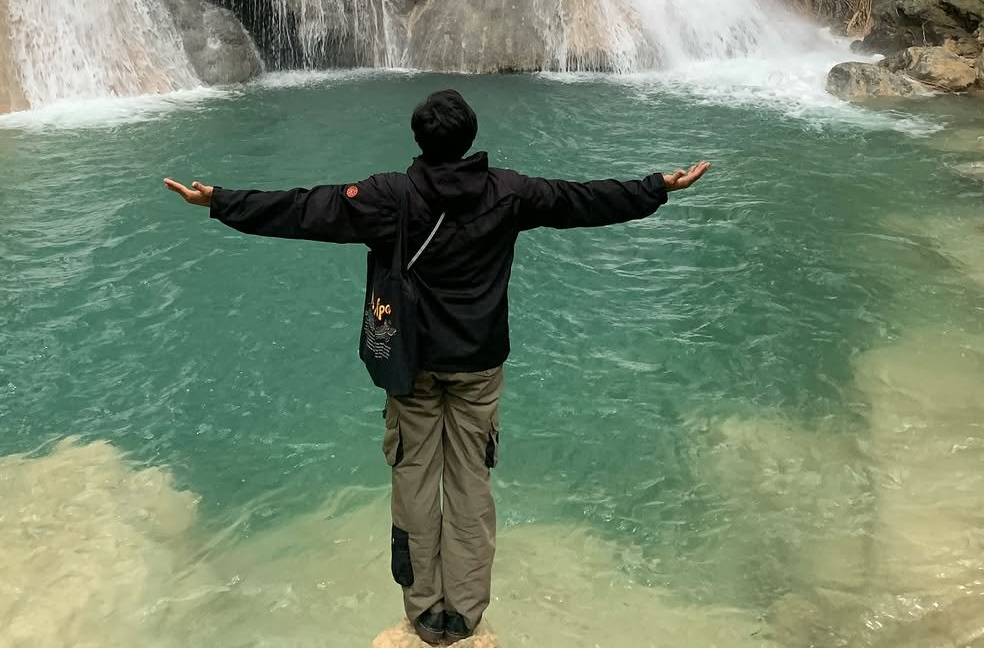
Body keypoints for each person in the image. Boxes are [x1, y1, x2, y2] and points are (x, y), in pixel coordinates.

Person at [164, 89, 710, 646]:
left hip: (412, 366)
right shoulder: (510, 192)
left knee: (414, 483)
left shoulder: (387, 196)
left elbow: (306, 209)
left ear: (418, 139)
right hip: (477, 367)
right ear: (471, 137)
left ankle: (426, 612)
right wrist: (655, 187)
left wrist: (220, 200)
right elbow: (582, 200)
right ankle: (466, 613)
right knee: (472, 485)